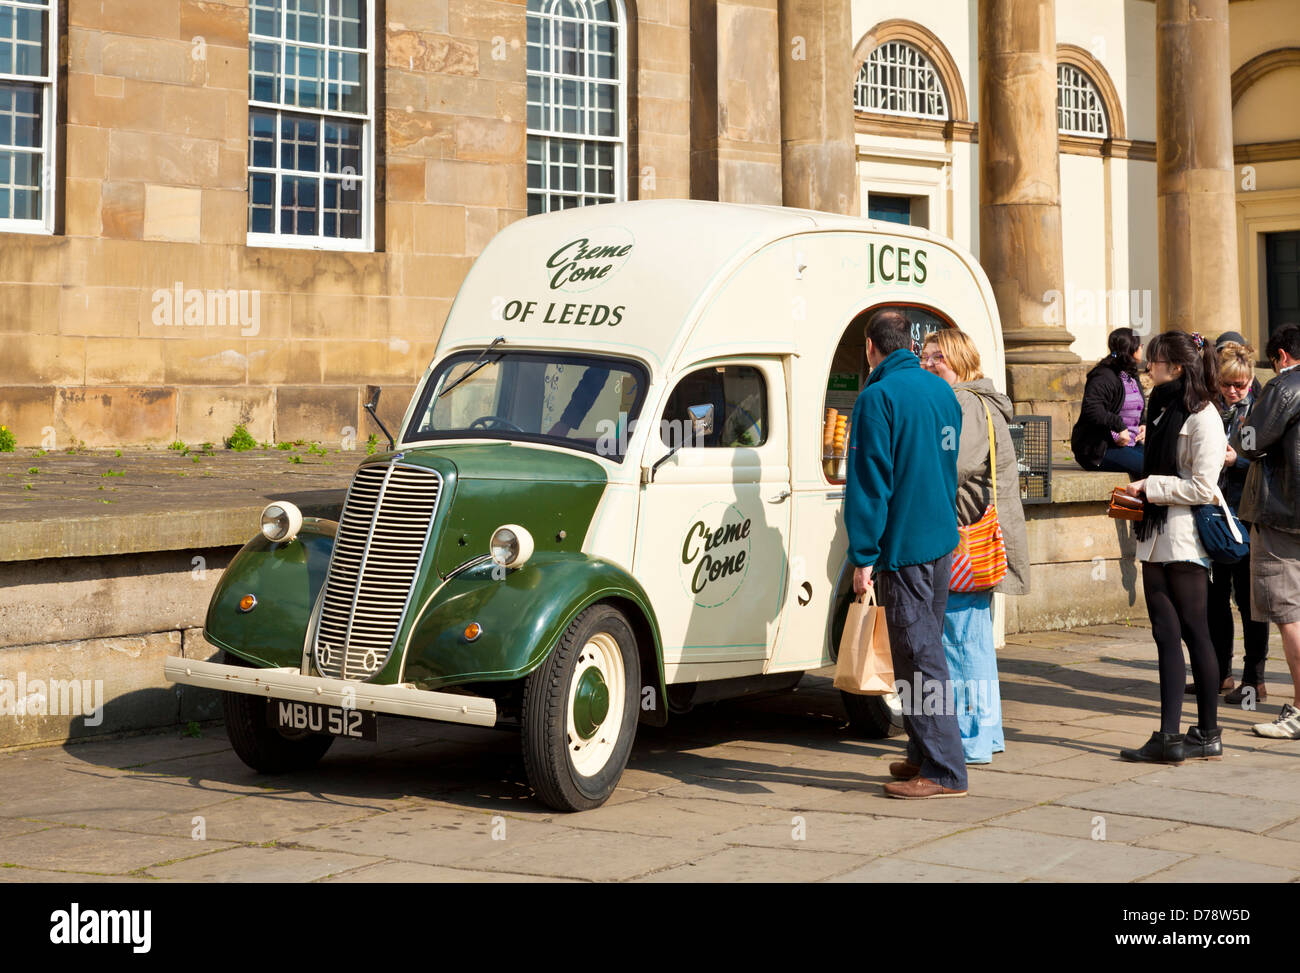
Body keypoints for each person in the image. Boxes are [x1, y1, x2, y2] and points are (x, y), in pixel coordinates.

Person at [845, 308, 968, 799]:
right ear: (910, 347)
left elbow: (869, 485)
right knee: (920, 651)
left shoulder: (877, 397)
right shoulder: (941, 390)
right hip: (938, 540)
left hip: (905, 547)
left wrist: (863, 556)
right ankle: (923, 753)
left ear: (872, 349)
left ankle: (944, 770)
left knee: (919, 657)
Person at [919, 328, 1029, 764]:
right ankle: (988, 732)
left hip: (964, 536)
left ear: (961, 363)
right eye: (924, 358)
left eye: (938, 359)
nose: (928, 365)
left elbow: (957, 465)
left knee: (960, 644)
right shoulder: (983, 402)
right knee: (974, 642)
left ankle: (971, 739)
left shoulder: (963, 401)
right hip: (981, 537)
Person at [1119, 330, 1225, 763]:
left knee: (1196, 632)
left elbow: (1203, 486)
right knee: (1165, 635)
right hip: (1154, 535)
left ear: (1177, 367)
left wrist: (1150, 485)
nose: (1148, 366)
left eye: (1156, 361)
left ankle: (1207, 731)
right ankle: (1168, 737)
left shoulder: (1204, 416)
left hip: (1183, 538)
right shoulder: (1161, 407)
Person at [1230, 323, 1300, 739]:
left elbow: (1251, 442)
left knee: (1289, 614)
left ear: (1280, 357)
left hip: (1284, 515)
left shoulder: (1285, 385)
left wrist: (1243, 436)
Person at [1196, 340, 1269, 703]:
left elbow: (1270, 463)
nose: (1232, 391)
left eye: (1239, 384)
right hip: (1214, 514)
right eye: (1226, 384)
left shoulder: (1261, 410)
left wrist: (1235, 461)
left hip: (1247, 516)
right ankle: (1221, 673)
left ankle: (1254, 679)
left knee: (1249, 602)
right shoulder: (1213, 409)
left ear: (1251, 378)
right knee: (1214, 598)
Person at [1071, 327, 1147, 476]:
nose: (1141, 348)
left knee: (1164, 463)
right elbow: (1092, 409)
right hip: (1100, 449)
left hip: (1131, 444)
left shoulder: (1130, 374)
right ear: (1131, 348)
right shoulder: (1104, 375)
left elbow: (1136, 405)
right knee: (1150, 468)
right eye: (1139, 344)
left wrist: (1142, 424)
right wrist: (1119, 426)